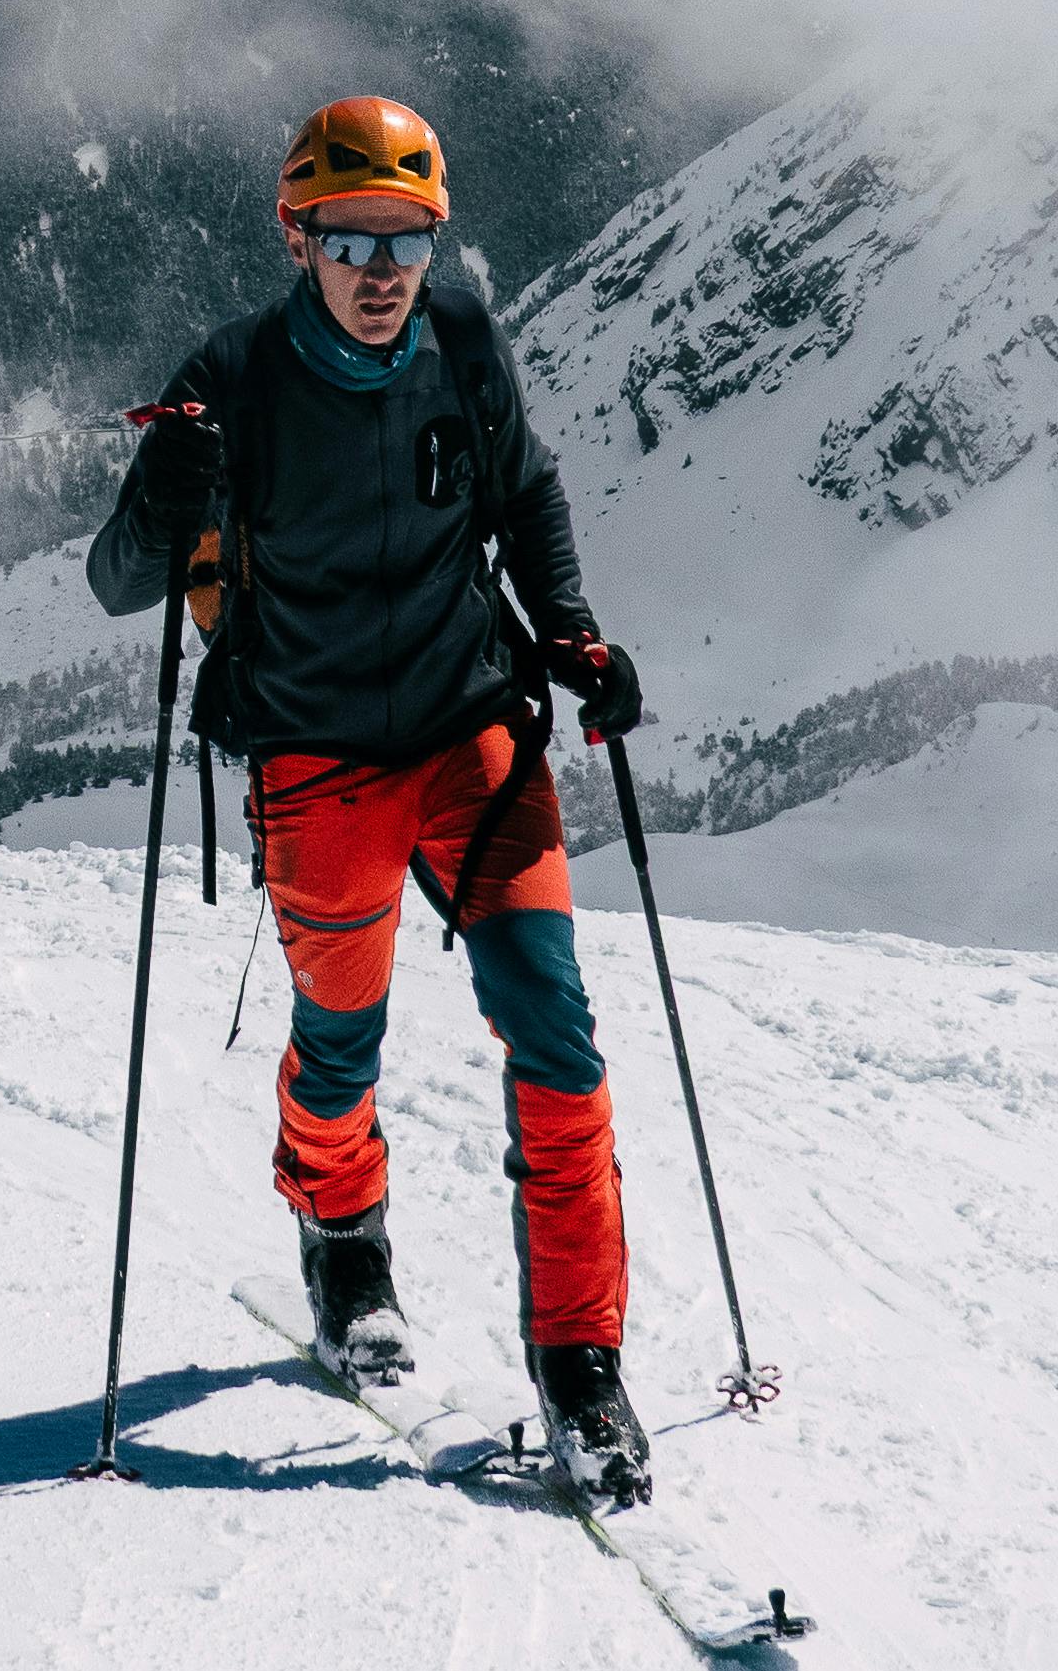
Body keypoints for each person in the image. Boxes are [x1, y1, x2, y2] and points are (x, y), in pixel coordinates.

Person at [89, 92, 661, 1503]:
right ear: (298, 236)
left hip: (474, 731)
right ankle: (344, 1239)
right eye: (351, 235)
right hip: (318, 756)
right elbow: (118, 581)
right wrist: (166, 494)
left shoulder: (463, 342)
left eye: (407, 233)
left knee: (560, 1038)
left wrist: (571, 627)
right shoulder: (231, 379)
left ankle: (581, 1363)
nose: (382, 264)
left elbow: (525, 494)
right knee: (341, 1047)